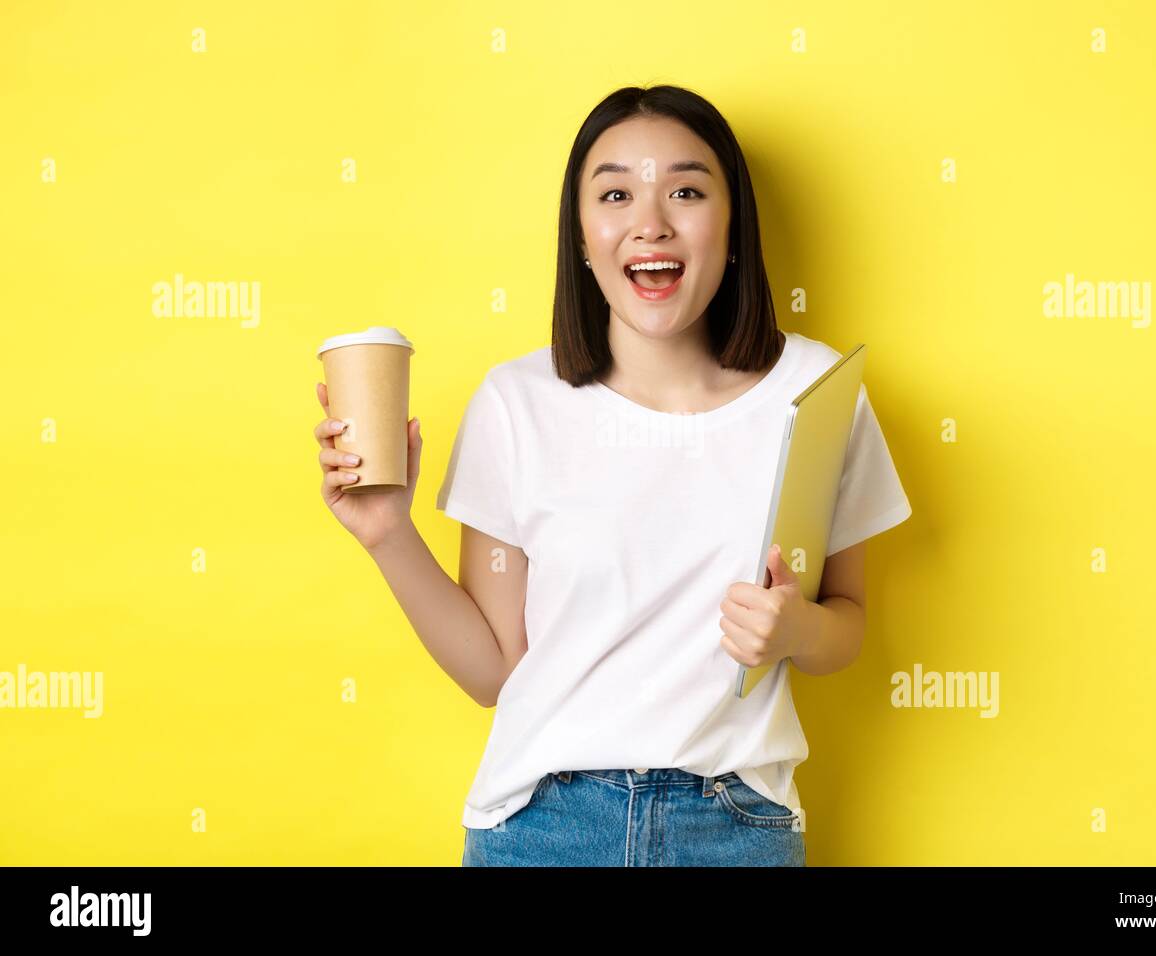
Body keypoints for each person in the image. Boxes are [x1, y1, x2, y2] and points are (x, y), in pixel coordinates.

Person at [313, 84, 912, 866]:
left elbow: (848, 625)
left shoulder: (816, 388)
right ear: (584, 237)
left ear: (732, 229)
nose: (650, 222)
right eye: (617, 193)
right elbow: (494, 671)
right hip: (542, 829)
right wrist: (388, 533)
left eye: (687, 191)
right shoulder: (517, 401)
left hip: (734, 829)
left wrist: (796, 630)